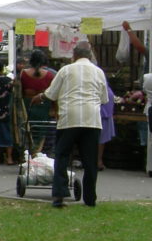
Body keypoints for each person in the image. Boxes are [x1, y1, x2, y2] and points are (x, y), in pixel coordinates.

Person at [32, 41, 108, 208]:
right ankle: (90, 199)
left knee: (62, 155)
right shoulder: (99, 72)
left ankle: (59, 195)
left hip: (69, 118)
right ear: (89, 57)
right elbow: (104, 99)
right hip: (92, 119)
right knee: (90, 161)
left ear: (74, 56)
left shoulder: (66, 70)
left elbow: (52, 93)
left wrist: (40, 97)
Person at [20, 50, 56, 153]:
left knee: (28, 131)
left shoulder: (23, 73)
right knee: (41, 132)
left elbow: (20, 93)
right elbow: (53, 95)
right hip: (44, 108)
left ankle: (29, 153)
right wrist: (54, 110)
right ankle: (37, 152)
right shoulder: (50, 75)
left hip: (28, 107)